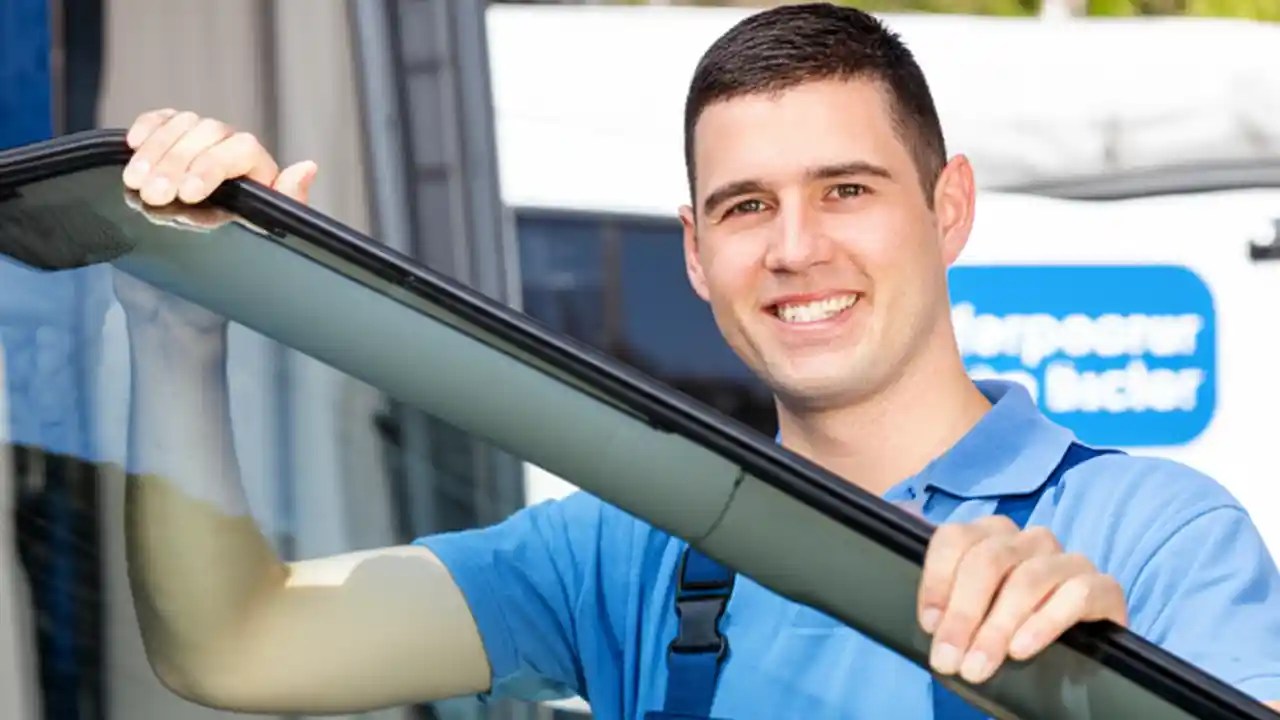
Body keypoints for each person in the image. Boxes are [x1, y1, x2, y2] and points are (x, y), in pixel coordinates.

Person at [115, 3, 1280, 718]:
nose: (793, 248)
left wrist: (1104, 694)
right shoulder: (630, 548)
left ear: (948, 207)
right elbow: (234, 644)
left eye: (846, 191)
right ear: (694, 251)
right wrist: (179, 327)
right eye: (742, 207)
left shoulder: (1154, 533)